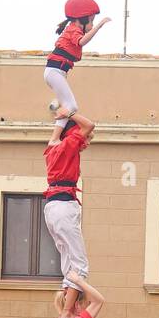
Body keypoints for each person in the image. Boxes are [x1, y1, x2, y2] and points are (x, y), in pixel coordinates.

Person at [43, 110, 94, 306]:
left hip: (53, 209)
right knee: (79, 265)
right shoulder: (68, 146)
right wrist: (71, 112)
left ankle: (67, 305)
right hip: (63, 207)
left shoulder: (54, 147)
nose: (87, 142)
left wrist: (62, 117)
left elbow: (55, 136)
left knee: (68, 262)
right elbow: (89, 125)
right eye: (87, 139)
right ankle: (68, 311)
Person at [44, 0, 110, 129]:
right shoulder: (73, 29)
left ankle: (59, 131)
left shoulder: (74, 28)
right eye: (91, 21)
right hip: (54, 71)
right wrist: (99, 26)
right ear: (81, 20)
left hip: (57, 72)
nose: (91, 26)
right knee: (71, 106)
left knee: (68, 106)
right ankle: (54, 137)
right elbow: (82, 41)